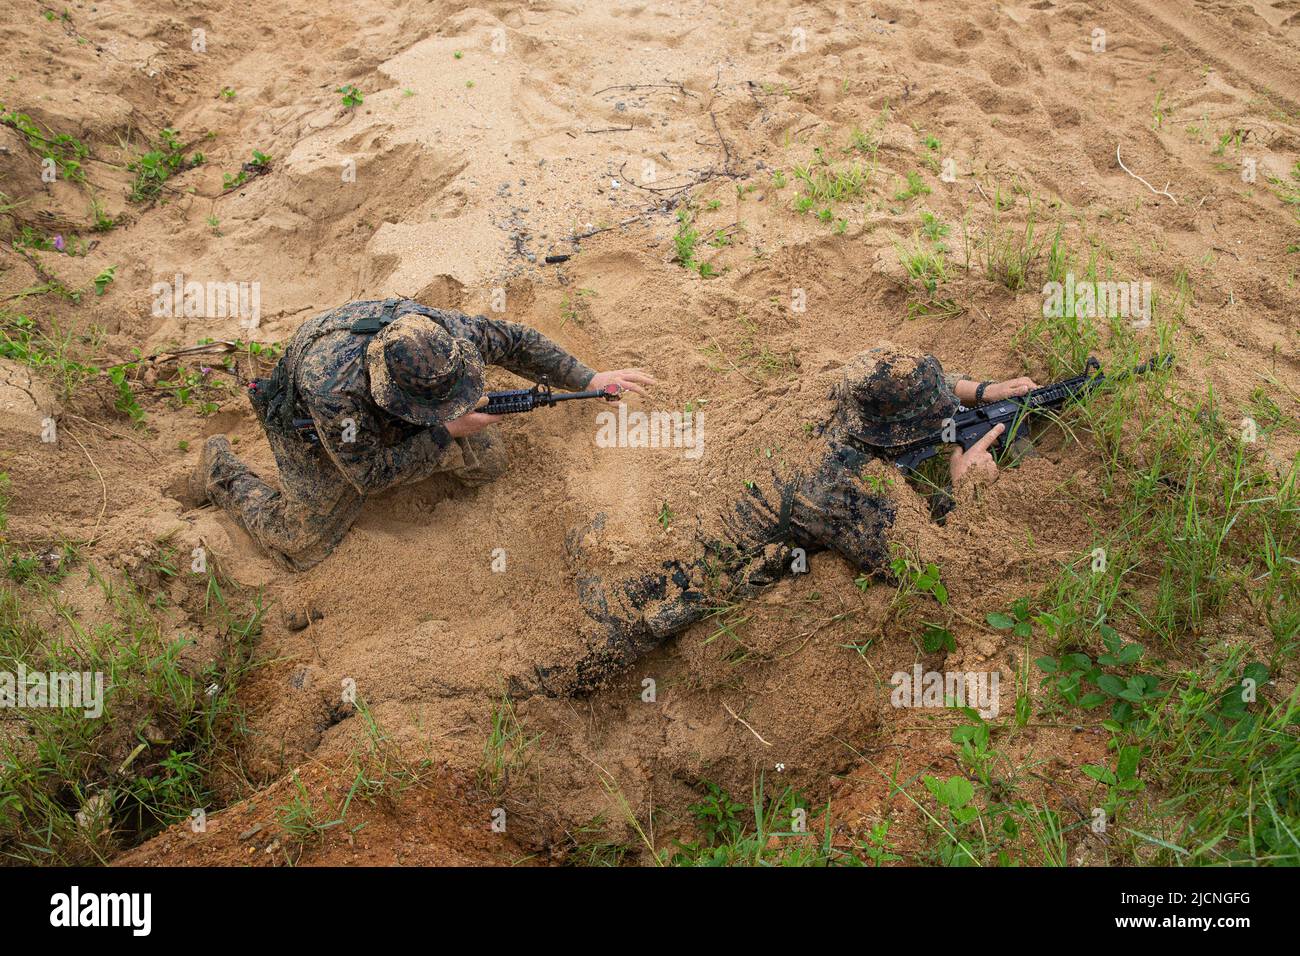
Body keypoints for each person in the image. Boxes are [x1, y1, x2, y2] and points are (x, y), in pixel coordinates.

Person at [551, 345, 1038, 695]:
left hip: (620, 524)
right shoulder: (843, 487)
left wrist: (980, 390)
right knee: (550, 675)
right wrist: (968, 486)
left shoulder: (833, 386)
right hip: (629, 606)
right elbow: (934, 572)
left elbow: (894, 373)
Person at [189, 297, 654, 570]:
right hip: (306, 422)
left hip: (382, 395)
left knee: (488, 464)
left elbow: (517, 341)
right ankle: (220, 471)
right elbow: (368, 475)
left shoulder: (444, 333)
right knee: (302, 543)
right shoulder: (331, 390)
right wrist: (446, 431)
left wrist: (586, 378)